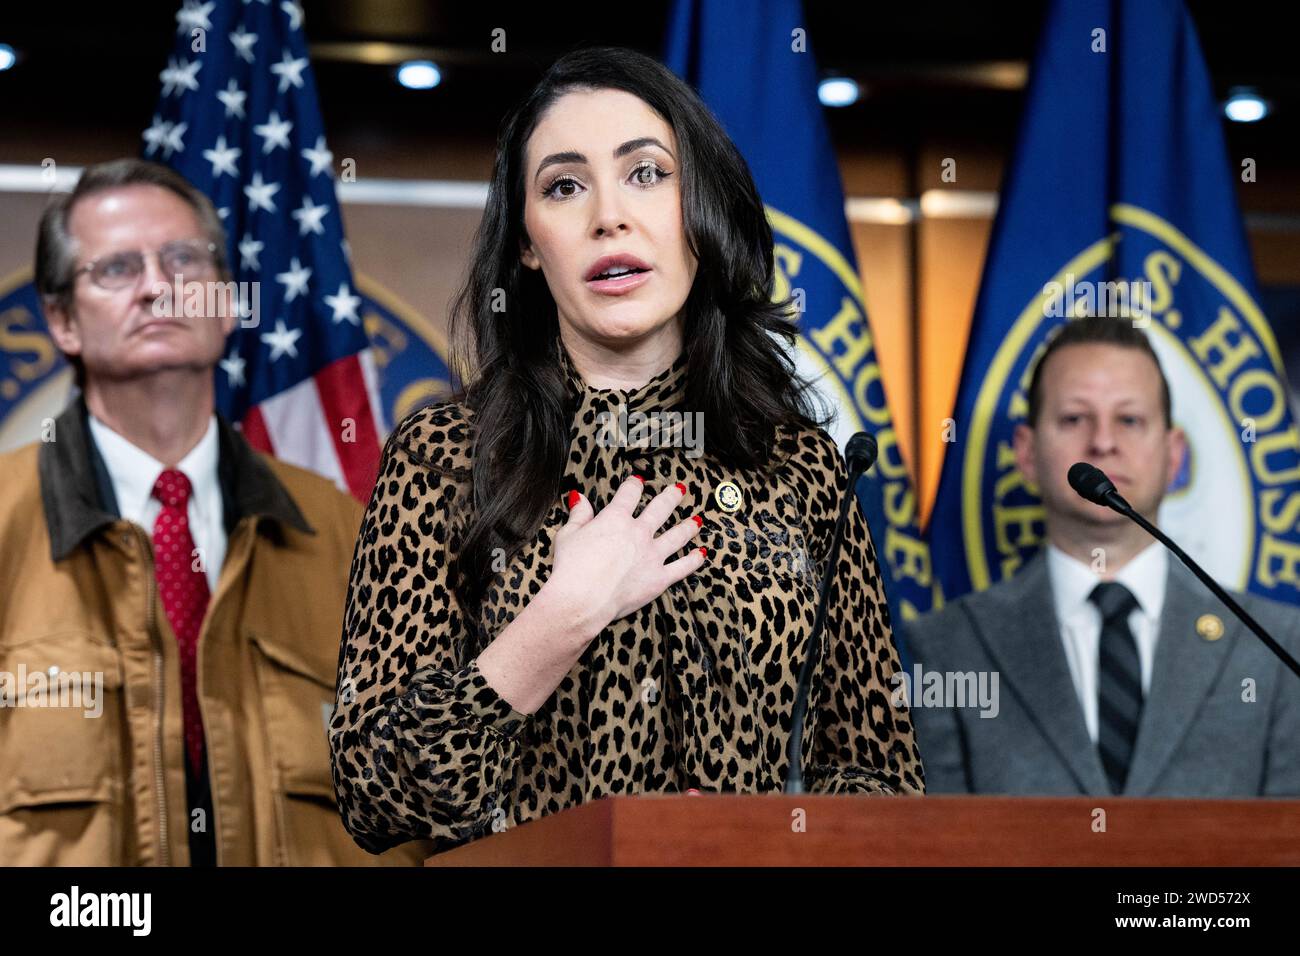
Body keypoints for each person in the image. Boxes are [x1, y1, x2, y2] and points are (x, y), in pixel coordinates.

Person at [329, 47, 924, 856]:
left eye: (646, 173)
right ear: (529, 246)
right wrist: (557, 621)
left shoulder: (803, 467)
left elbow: (878, 775)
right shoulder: (442, 456)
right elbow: (376, 794)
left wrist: (761, 839)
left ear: (700, 208)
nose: (608, 215)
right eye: (564, 186)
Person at [0, 158, 428, 865]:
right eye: (115, 269)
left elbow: (417, 815)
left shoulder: (348, 537)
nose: (158, 288)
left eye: (182, 261)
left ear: (227, 302)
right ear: (62, 320)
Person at [909, 315, 1300, 796]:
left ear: (1174, 454)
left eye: (1130, 420)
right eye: (1074, 418)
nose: (1103, 442)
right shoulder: (945, 649)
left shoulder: (1276, 646)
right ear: (1026, 453)